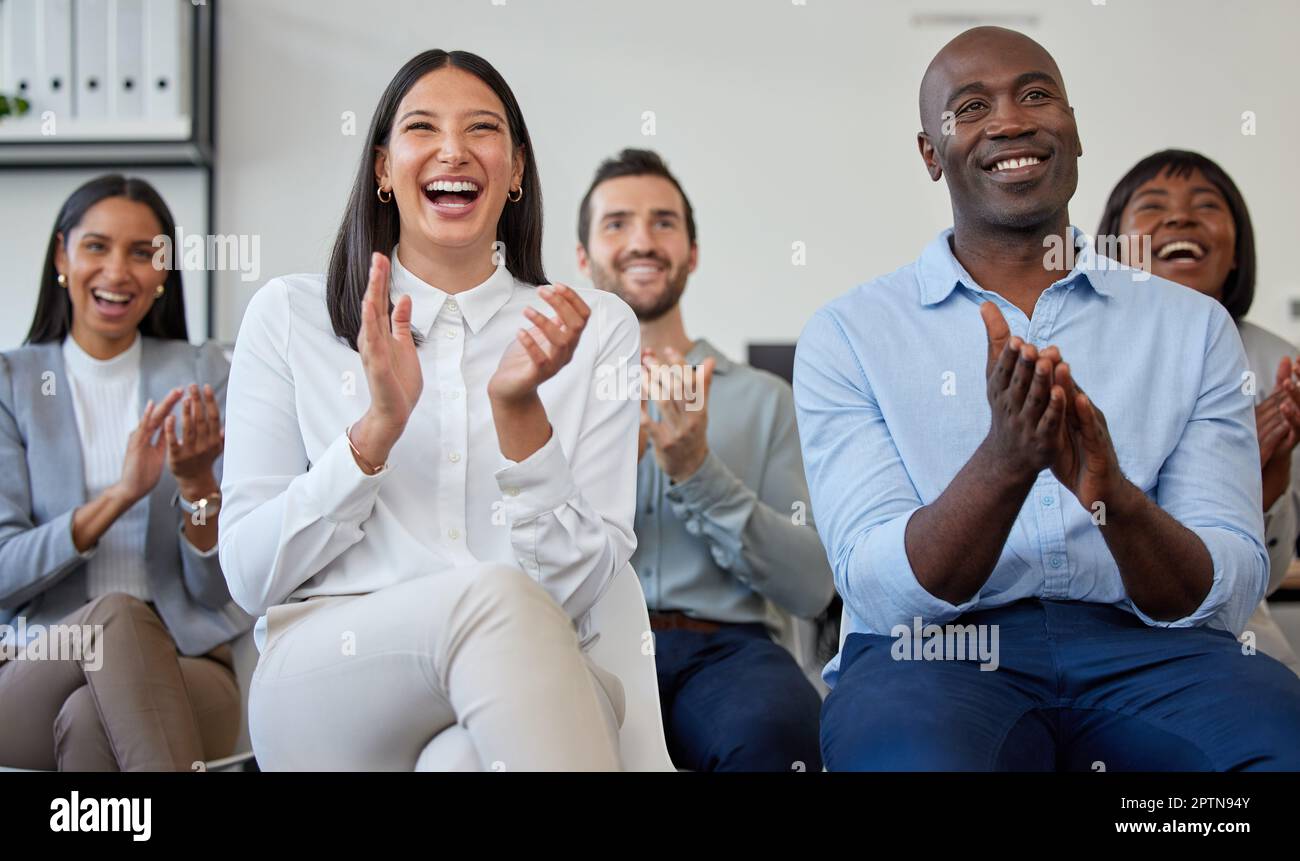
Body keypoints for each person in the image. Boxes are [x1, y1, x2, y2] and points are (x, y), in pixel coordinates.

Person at [795, 26, 1300, 770]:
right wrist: (1004, 463)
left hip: (1154, 650)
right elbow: (878, 583)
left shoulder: (1192, 327)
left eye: (1036, 94)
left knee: (1276, 745)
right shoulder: (850, 334)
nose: (1010, 120)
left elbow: (1224, 586)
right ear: (931, 156)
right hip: (931, 657)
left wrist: (1114, 497)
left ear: (1074, 129)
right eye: (970, 107)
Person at [219, 50, 640, 771]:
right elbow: (249, 575)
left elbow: (579, 589)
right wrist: (373, 435)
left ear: (515, 171)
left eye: (482, 129)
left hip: (529, 678)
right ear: (383, 168)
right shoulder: (288, 316)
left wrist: (518, 414)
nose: (453, 149)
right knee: (494, 598)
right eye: (423, 128)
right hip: (329, 681)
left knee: (462, 761)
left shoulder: (593, 326)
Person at [576, 148, 833, 771]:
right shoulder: (550, 398)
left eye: (664, 222)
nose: (642, 241)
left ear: (692, 252)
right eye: (617, 223)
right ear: (582, 259)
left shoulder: (768, 400)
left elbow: (811, 585)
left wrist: (697, 470)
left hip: (729, 655)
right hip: (583, 647)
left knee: (781, 735)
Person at [0, 174, 250, 771]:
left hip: (186, 663)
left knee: (93, 722)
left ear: (164, 273)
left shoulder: (204, 374)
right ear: (62, 255)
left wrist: (196, 487)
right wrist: (121, 494)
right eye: (96, 247)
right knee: (116, 615)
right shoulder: (11, 382)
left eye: (143, 253)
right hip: (39, 662)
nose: (118, 271)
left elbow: (221, 588)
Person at [1098, 149, 1300, 674]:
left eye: (1206, 205)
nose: (1180, 217)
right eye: (1153, 205)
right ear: (1110, 249)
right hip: (1094, 621)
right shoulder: (1075, 346)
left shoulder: (1281, 368)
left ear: (1236, 254)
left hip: (1228, 625)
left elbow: (1271, 577)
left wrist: (1261, 486)